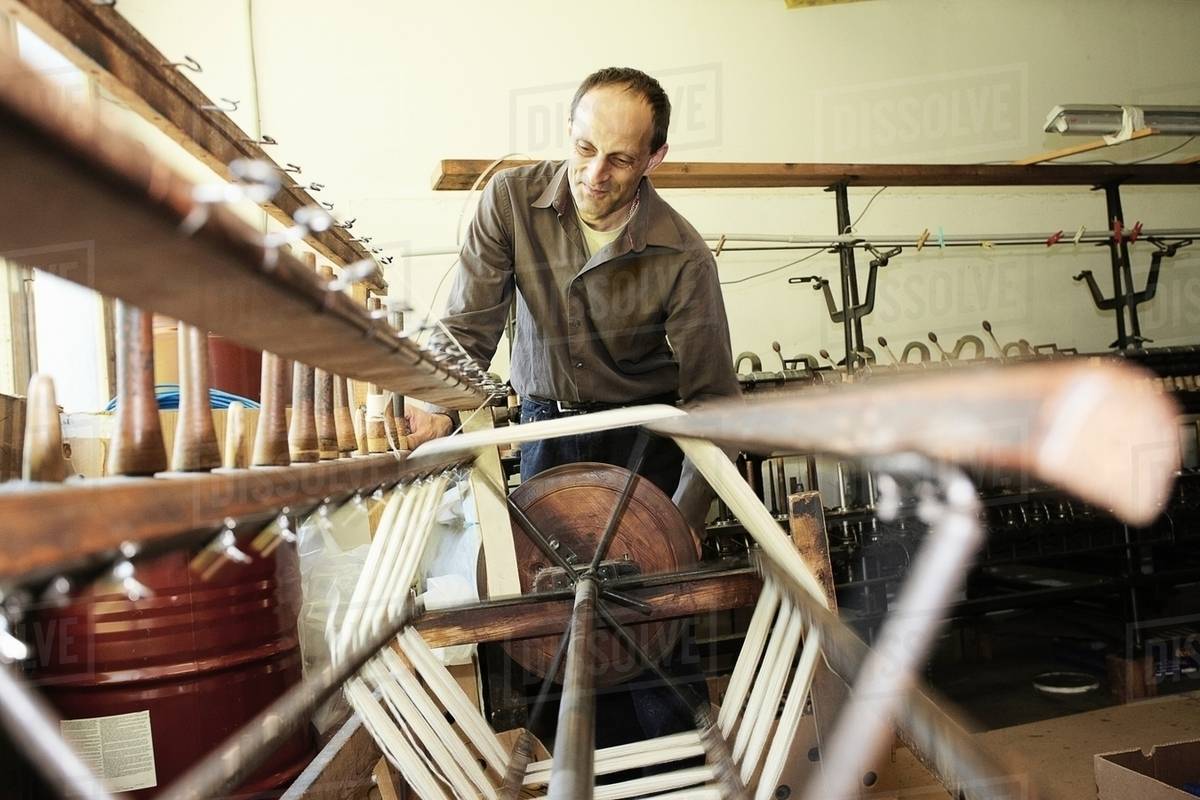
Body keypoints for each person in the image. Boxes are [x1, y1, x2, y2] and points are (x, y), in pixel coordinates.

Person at [406, 66, 741, 756]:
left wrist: (686, 516)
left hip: (641, 445)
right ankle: (588, 772)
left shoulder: (683, 255)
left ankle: (680, 768)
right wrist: (433, 404)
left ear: (654, 158)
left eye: (619, 158)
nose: (594, 174)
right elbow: (467, 330)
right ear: (568, 132)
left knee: (650, 622)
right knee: (555, 623)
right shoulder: (511, 202)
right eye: (584, 149)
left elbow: (712, 402)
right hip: (548, 433)